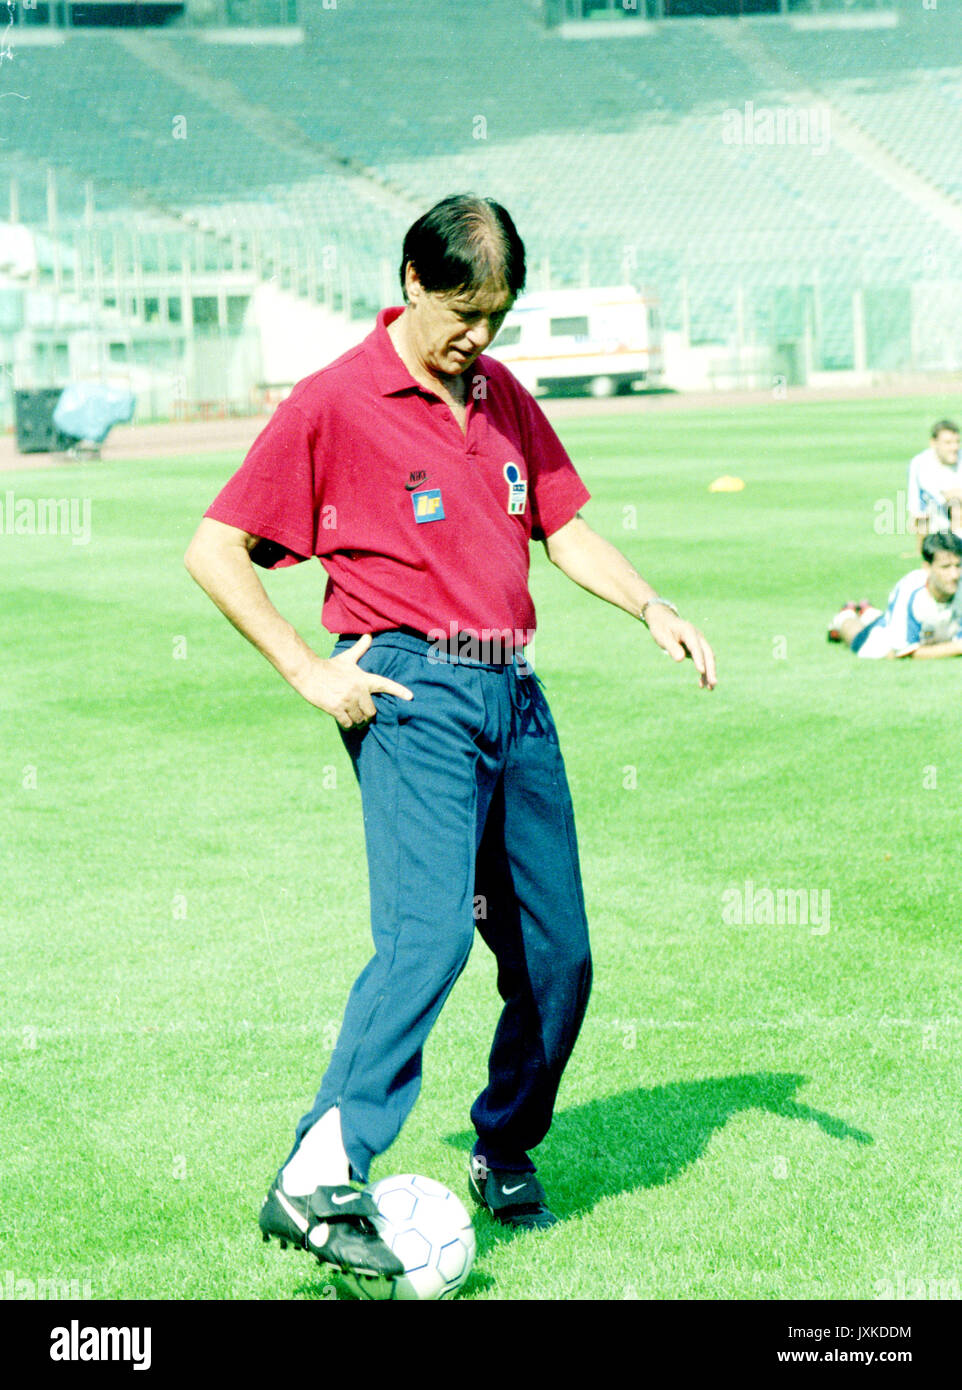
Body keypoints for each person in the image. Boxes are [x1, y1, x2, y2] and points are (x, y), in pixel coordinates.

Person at [183, 193, 717, 1284]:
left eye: (499, 314)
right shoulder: (334, 401)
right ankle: (320, 1170)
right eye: (464, 310)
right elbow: (215, 546)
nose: (479, 335)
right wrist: (305, 667)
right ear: (412, 282)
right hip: (410, 691)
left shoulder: (501, 393)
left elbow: (559, 527)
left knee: (557, 957)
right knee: (424, 938)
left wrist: (651, 606)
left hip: (511, 693)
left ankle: (503, 1145)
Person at [828, 531, 962, 658]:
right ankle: (844, 615)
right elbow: (904, 653)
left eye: (958, 565)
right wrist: (956, 648)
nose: (955, 575)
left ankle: (867, 611)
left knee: (882, 618)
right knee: (857, 638)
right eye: (945, 567)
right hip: (883, 639)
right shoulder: (911, 589)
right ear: (927, 568)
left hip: (933, 633)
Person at [907, 419, 962, 548]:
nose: (954, 447)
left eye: (957, 442)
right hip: (937, 523)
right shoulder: (921, 464)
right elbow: (945, 496)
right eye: (948, 443)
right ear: (933, 443)